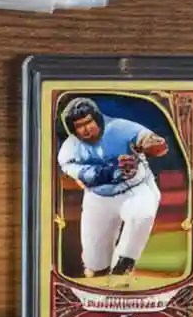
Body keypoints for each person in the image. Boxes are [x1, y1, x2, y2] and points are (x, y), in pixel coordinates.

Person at [57, 97, 169, 286]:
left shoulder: (120, 128)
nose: (87, 129)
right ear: (72, 128)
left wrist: (149, 145)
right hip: (99, 197)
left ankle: (123, 266)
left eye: (89, 121)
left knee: (141, 215)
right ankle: (99, 290)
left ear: (98, 118)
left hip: (137, 188)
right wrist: (114, 170)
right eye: (80, 125)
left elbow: (152, 142)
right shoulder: (69, 150)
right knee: (95, 262)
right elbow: (90, 176)